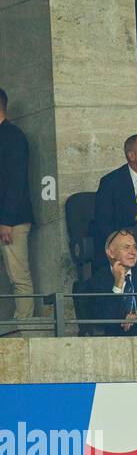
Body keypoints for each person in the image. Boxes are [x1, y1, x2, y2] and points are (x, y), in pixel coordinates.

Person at [0, 87, 35, 325]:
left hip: (11, 220)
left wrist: (7, 220)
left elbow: (15, 181)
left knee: (18, 275)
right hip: (7, 218)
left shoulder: (12, 136)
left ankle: (24, 328)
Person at [86, 229, 137, 337]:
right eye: (127, 247)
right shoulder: (97, 281)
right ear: (111, 252)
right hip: (115, 339)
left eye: (135, 247)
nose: (133, 252)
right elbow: (104, 318)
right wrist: (117, 285)